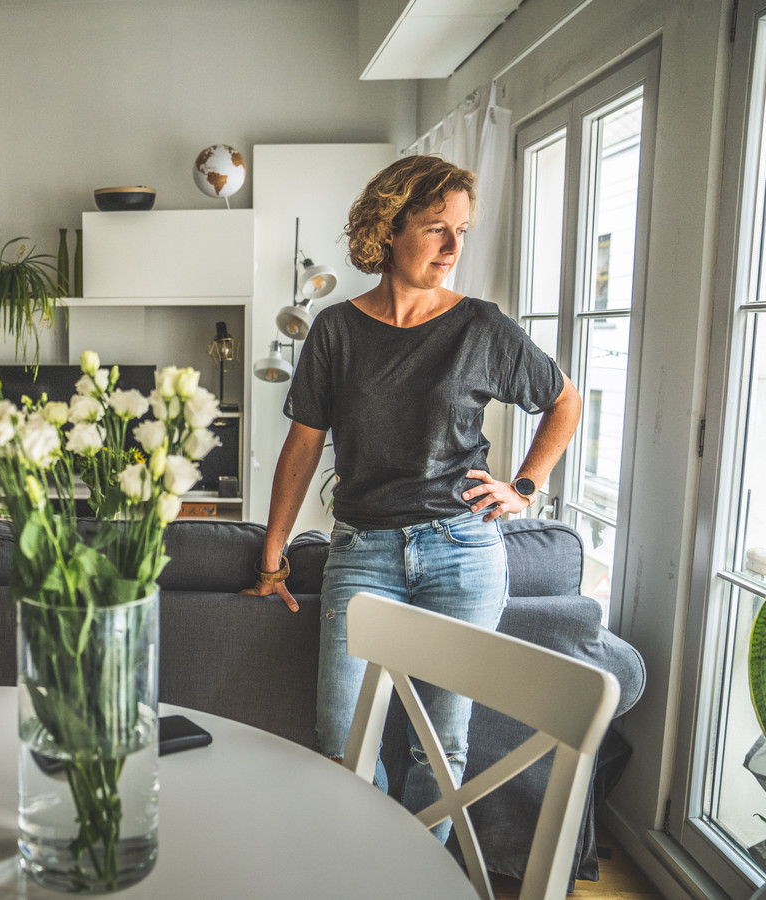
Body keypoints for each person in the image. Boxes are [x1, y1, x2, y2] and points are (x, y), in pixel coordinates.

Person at [242, 154, 582, 842]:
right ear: (388, 228)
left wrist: (523, 487)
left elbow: (564, 400)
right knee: (341, 746)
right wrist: (274, 550)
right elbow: (304, 445)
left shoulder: (481, 326)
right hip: (361, 552)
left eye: (461, 230)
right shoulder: (336, 330)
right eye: (436, 228)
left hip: (464, 552)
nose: (454, 248)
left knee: (441, 749)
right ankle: (365, 875)